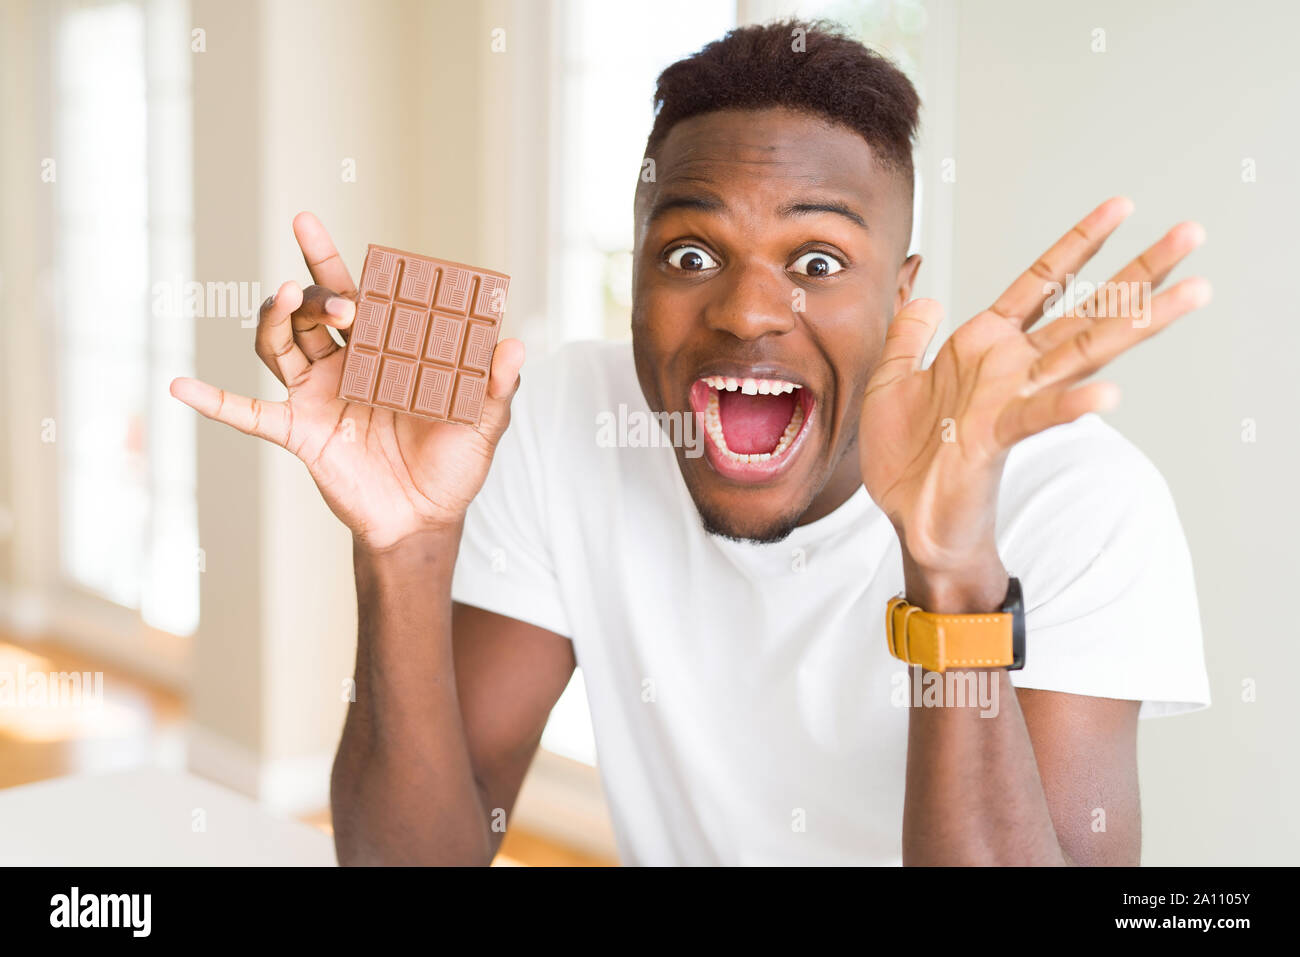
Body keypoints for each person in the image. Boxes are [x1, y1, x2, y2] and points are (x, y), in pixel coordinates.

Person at [172, 20, 1212, 865]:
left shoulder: (1075, 496)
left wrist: (951, 579)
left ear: (903, 297)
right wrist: (401, 546)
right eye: (689, 250)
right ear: (634, 277)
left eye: (815, 258)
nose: (748, 310)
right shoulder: (554, 418)